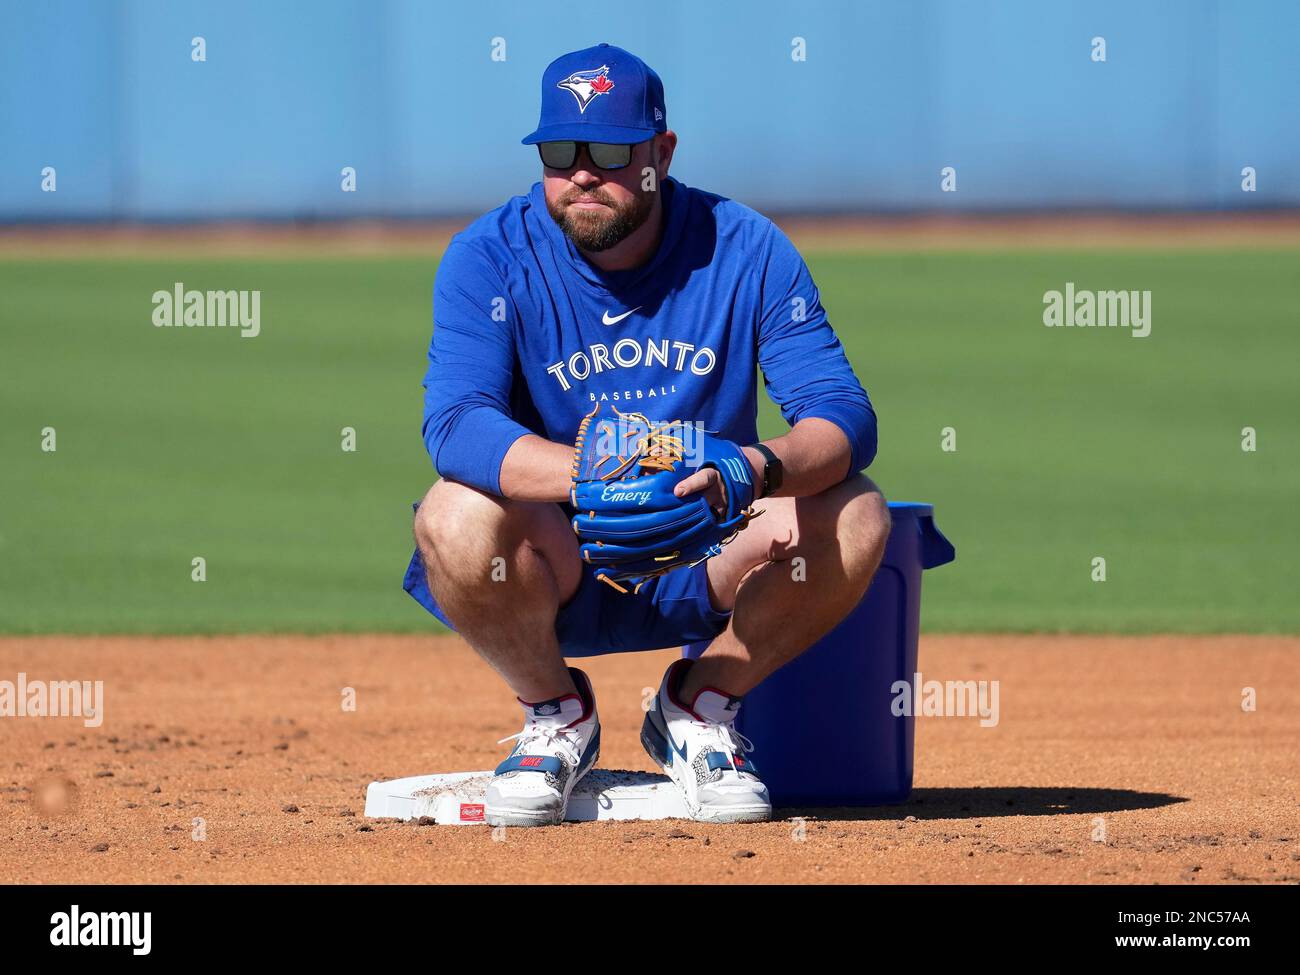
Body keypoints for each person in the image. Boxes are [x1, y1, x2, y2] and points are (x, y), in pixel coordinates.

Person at [403, 43, 890, 826]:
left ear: (661, 153)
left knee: (859, 511)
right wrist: (592, 479)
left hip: (711, 538)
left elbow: (843, 415)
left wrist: (756, 469)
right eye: (561, 152)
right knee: (450, 514)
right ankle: (555, 714)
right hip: (559, 551)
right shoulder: (488, 256)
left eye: (611, 151)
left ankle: (700, 708)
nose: (583, 172)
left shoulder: (746, 248)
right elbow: (457, 423)